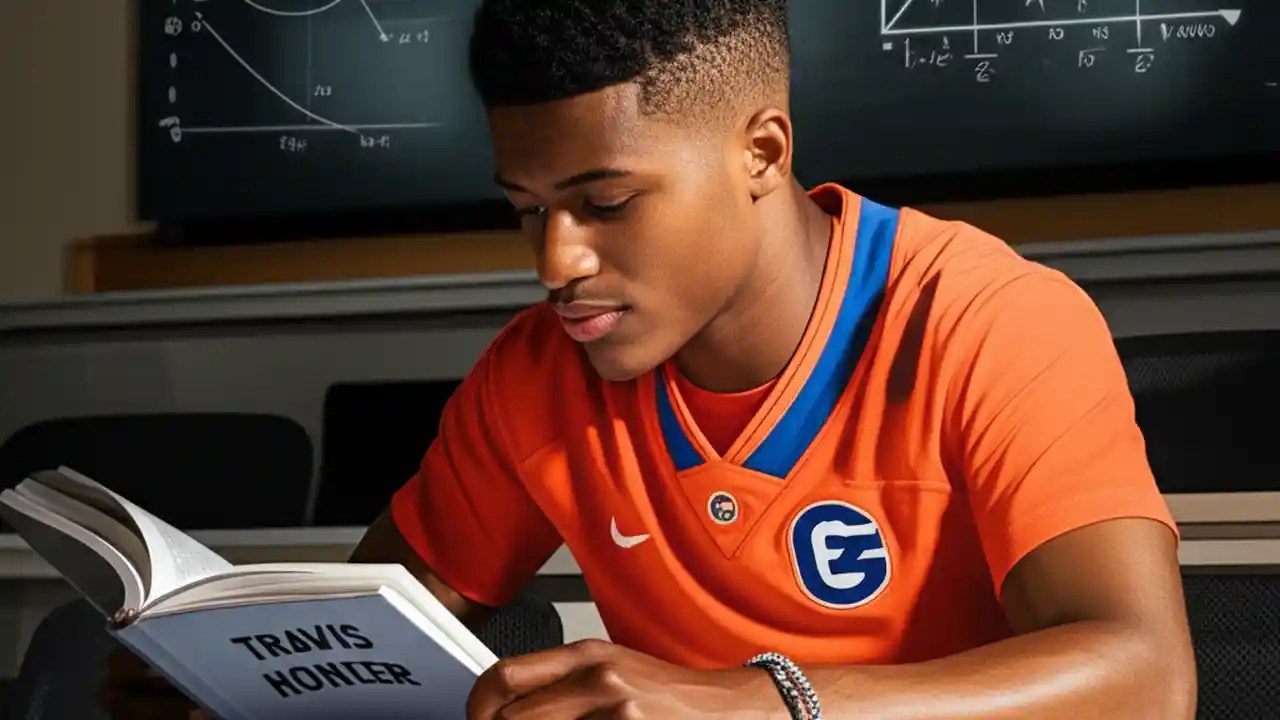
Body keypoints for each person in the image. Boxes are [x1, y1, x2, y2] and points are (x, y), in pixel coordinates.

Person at [101, 0, 1198, 717]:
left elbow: (1146, 679)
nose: (556, 261)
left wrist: (752, 702)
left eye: (608, 202)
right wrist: (234, 682)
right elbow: (368, 640)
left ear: (760, 151)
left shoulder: (990, 321)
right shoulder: (535, 373)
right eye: (527, 209)